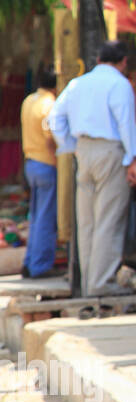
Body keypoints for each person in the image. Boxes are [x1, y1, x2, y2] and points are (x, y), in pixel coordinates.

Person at [47, 40, 136, 298]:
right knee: (108, 219)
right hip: (110, 150)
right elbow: (125, 123)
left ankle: (91, 282)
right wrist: (134, 158)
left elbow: (55, 117)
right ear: (123, 61)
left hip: (84, 151)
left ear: (99, 59)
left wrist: (70, 146)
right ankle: (101, 283)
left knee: (87, 222)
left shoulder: (78, 84)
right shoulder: (119, 84)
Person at [19, 69, 60, 279]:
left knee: (36, 215)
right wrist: (58, 163)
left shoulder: (29, 100)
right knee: (46, 217)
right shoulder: (49, 104)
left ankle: (29, 263)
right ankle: (40, 266)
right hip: (46, 164)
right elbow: (50, 139)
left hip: (31, 163)